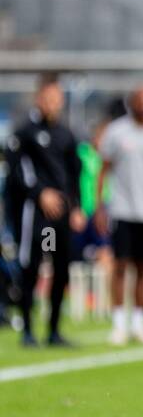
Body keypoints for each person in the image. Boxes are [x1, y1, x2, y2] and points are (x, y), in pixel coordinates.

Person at [4, 75, 84, 347]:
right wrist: (41, 194)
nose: (54, 103)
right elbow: (19, 170)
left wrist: (76, 207)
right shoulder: (24, 133)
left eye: (58, 99)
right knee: (31, 267)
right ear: (39, 98)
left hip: (61, 214)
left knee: (61, 269)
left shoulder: (66, 134)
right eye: (49, 98)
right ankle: (27, 330)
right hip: (35, 214)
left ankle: (53, 330)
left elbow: (75, 173)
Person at [95, 86, 143, 346]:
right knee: (120, 266)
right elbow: (103, 170)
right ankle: (119, 324)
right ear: (131, 103)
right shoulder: (117, 132)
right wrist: (99, 206)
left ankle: (139, 324)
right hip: (122, 210)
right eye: (139, 101)